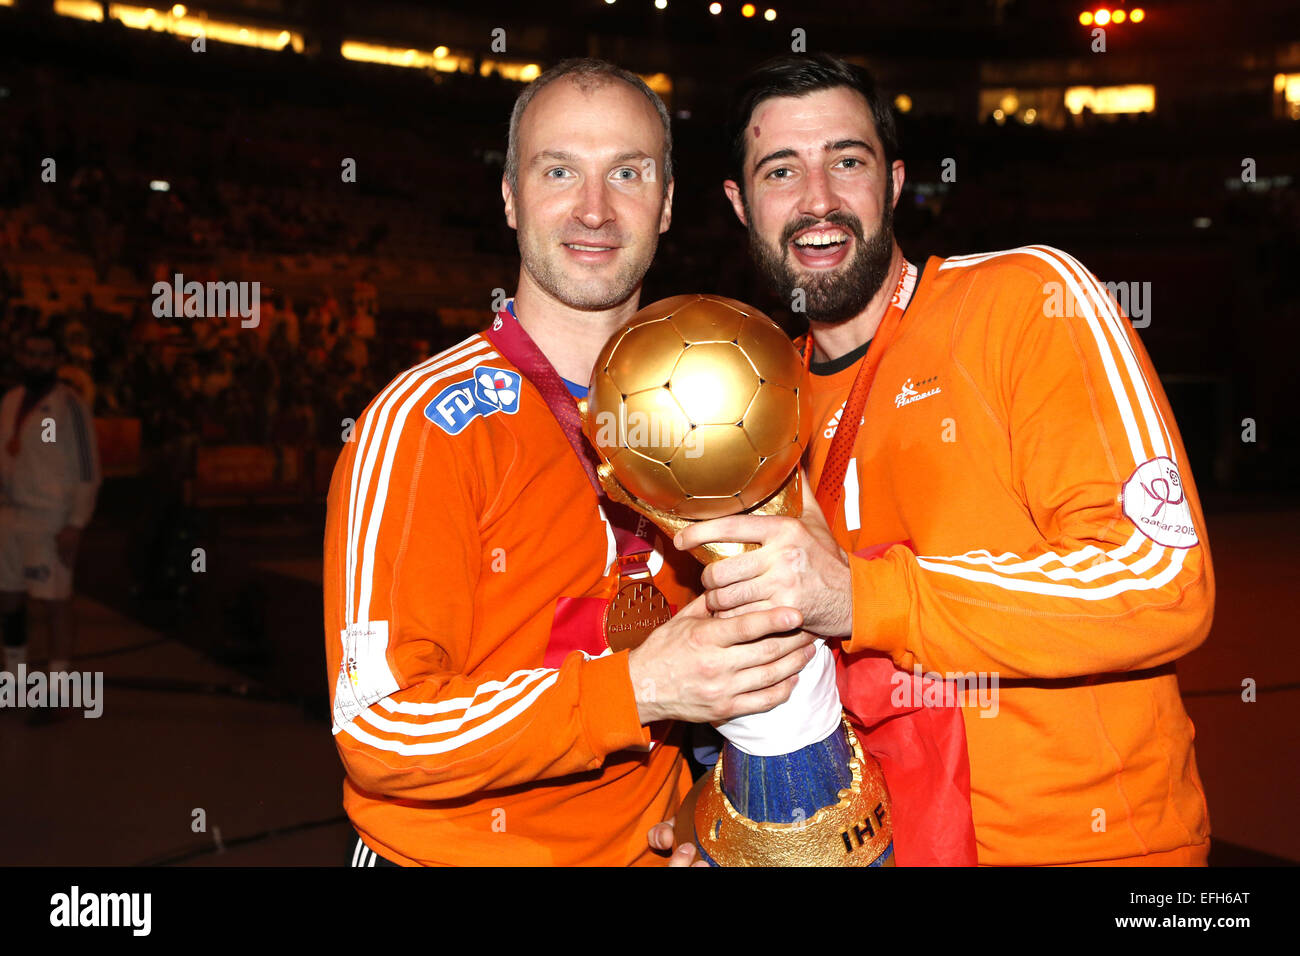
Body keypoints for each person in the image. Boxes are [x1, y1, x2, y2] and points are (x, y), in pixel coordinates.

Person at [661, 53, 1213, 866]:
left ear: (892, 182)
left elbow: (1162, 581)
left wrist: (862, 597)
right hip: (883, 846)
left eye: (847, 161)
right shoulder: (753, 402)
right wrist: (722, 814)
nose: (819, 199)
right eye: (782, 171)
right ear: (741, 206)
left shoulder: (1025, 300)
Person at [322, 58, 815, 867]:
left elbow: (751, 660)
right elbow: (379, 729)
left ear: (664, 203)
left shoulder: (727, 403)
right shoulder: (423, 426)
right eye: (560, 171)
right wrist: (639, 690)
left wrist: (705, 794)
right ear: (511, 198)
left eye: (627, 172)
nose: (595, 209)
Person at [0, 329, 102, 711]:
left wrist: (76, 522)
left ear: (57, 359)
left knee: (55, 602)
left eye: (45, 355)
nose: (36, 362)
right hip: (9, 513)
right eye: (30, 354)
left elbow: (88, 469)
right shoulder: (10, 400)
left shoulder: (69, 405)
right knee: (8, 598)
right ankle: (14, 680)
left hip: (50, 518)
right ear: (20, 356)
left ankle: (58, 693)